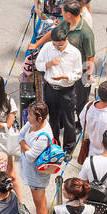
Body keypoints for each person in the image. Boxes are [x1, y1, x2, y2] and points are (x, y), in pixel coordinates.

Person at [35, 23, 82, 153]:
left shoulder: (75, 53)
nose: (58, 48)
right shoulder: (47, 48)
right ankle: (54, 147)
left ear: (66, 39)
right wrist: (49, 64)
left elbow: (78, 73)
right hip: (50, 89)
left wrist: (66, 77)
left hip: (67, 90)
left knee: (69, 120)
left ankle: (68, 149)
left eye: (60, 45)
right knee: (53, 120)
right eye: (55, 45)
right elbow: (38, 65)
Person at [17, 101, 54, 214]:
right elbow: (20, 135)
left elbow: (31, 156)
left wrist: (23, 145)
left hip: (37, 175)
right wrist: (24, 144)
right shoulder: (32, 124)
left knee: (39, 204)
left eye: (30, 115)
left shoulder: (44, 136)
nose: (27, 117)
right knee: (41, 200)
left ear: (39, 118)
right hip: (30, 171)